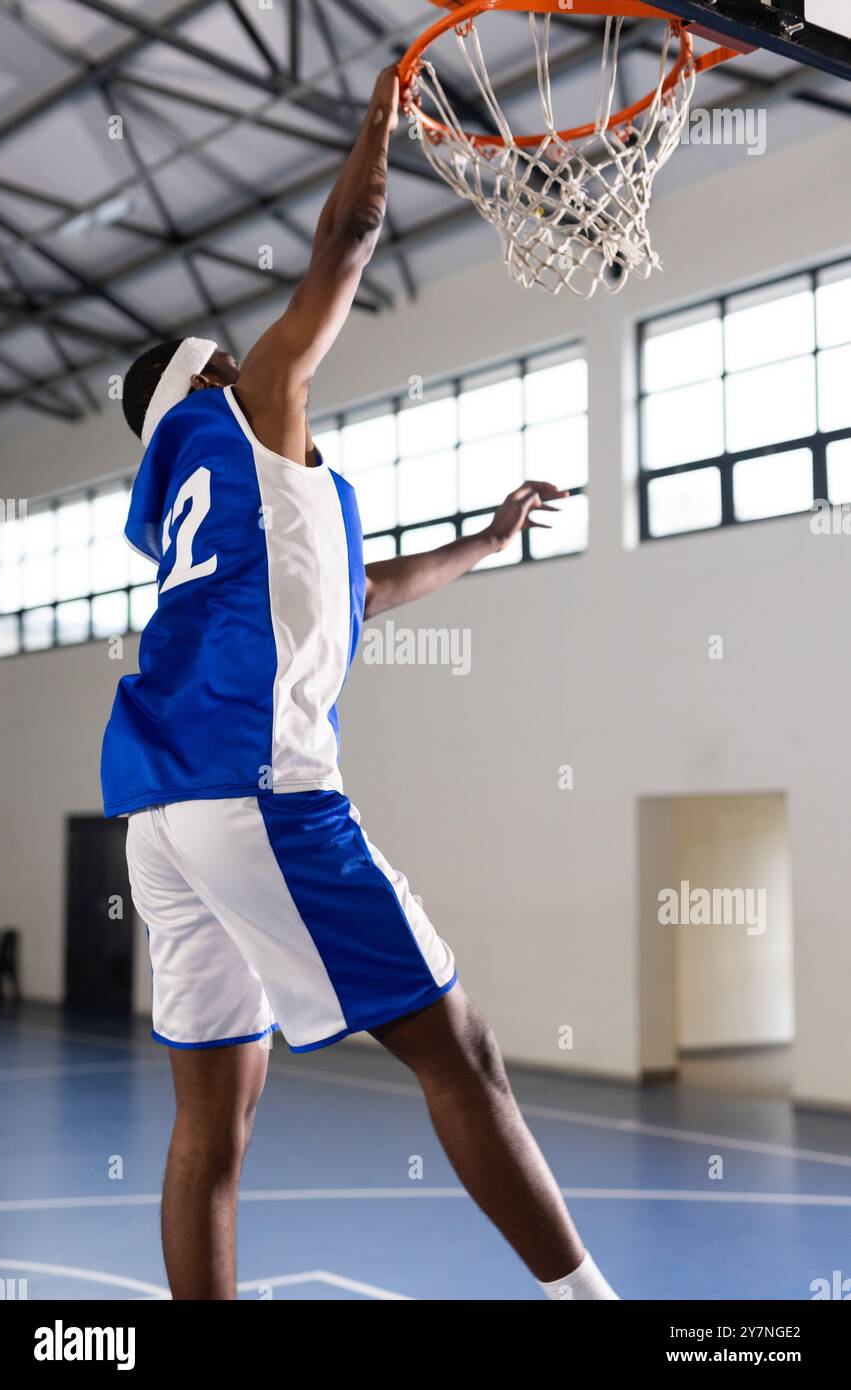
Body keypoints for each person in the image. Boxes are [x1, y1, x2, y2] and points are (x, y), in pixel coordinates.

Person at [102, 65, 617, 1303]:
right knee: (464, 1051)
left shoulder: (226, 507)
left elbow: (364, 593)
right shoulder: (253, 419)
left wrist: (486, 543)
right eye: (232, 353)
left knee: (209, 1124)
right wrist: (383, 126)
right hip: (257, 789)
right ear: (208, 383)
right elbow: (344, 246)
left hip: (161, 820)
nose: (255, 353)